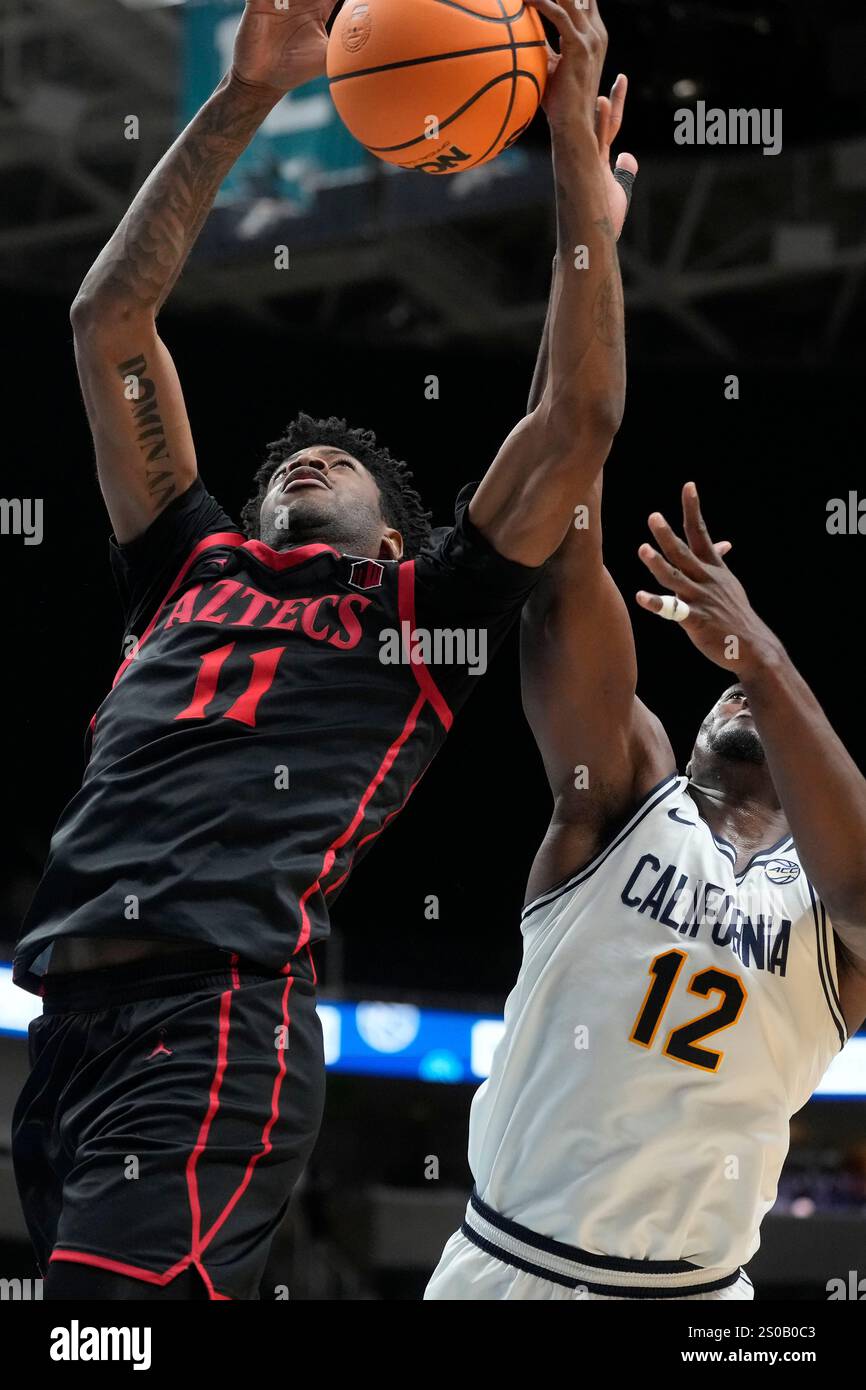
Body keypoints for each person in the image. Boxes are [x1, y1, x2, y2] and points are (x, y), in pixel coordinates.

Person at [12, 0, 621, 1300]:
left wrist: (570, 154)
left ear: (398, 545)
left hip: (212, 1016)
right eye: (290, 456)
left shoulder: (413, 621)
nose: (307, 454)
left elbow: (575, 420)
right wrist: (244, 98)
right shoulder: (188, 564)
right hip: (68, 1018)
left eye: (341, 463)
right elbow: (107, 324)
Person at [426, 57, 866, 1304]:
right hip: (505, 1272)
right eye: (727, 689)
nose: (732, 691)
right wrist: (587, 244)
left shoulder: (830, 916)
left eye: (757, 692)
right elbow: (555, 530)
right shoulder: (619, 795)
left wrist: (764, 656)